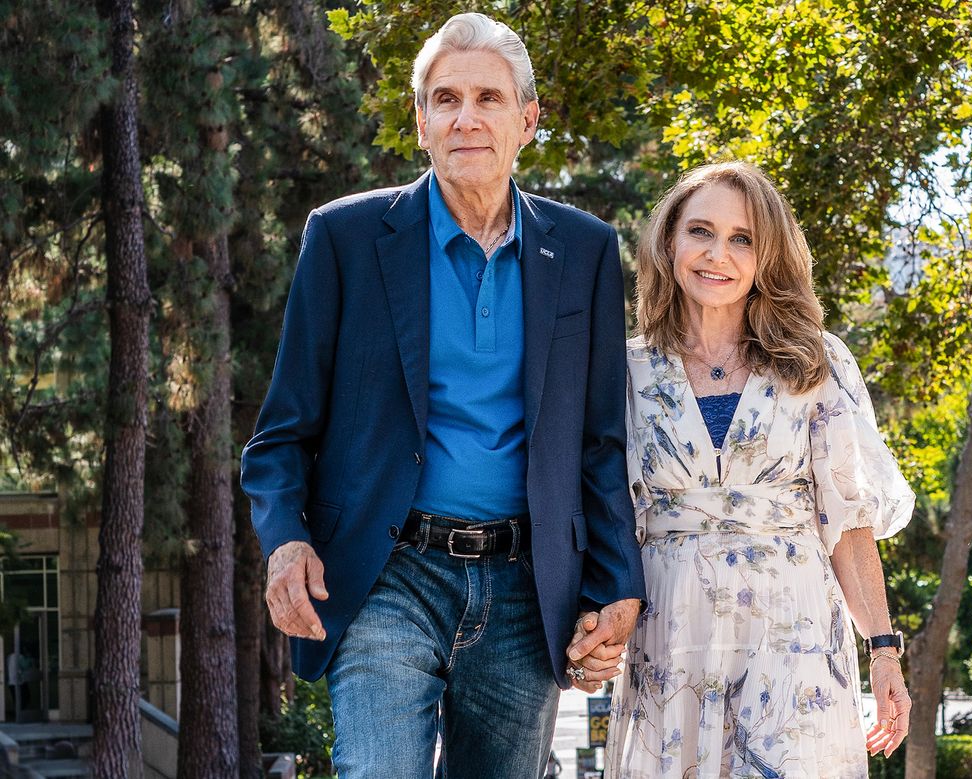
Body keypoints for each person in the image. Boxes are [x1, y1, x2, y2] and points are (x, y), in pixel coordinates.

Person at [240, 13, 644, 777]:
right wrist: (284, 540)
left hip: (528, 588)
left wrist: (618, 584)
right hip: (387, 572)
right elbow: (280, 432)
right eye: (446, 98)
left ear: (527, 120)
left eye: (489, 98)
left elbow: (598, 441)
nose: (467, 117)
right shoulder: (345, 239)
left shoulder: (584, 250)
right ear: (419, 121)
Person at [596, 162, 915, 777]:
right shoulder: (622, 371)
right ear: (669, 242)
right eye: (701, 232)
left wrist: (883, 651)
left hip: (792, 638)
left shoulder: (814, 363)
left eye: (743, 238)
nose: (719, 254)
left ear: (768, 256)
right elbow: (600, 514)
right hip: (669, 636)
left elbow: (848, 525)